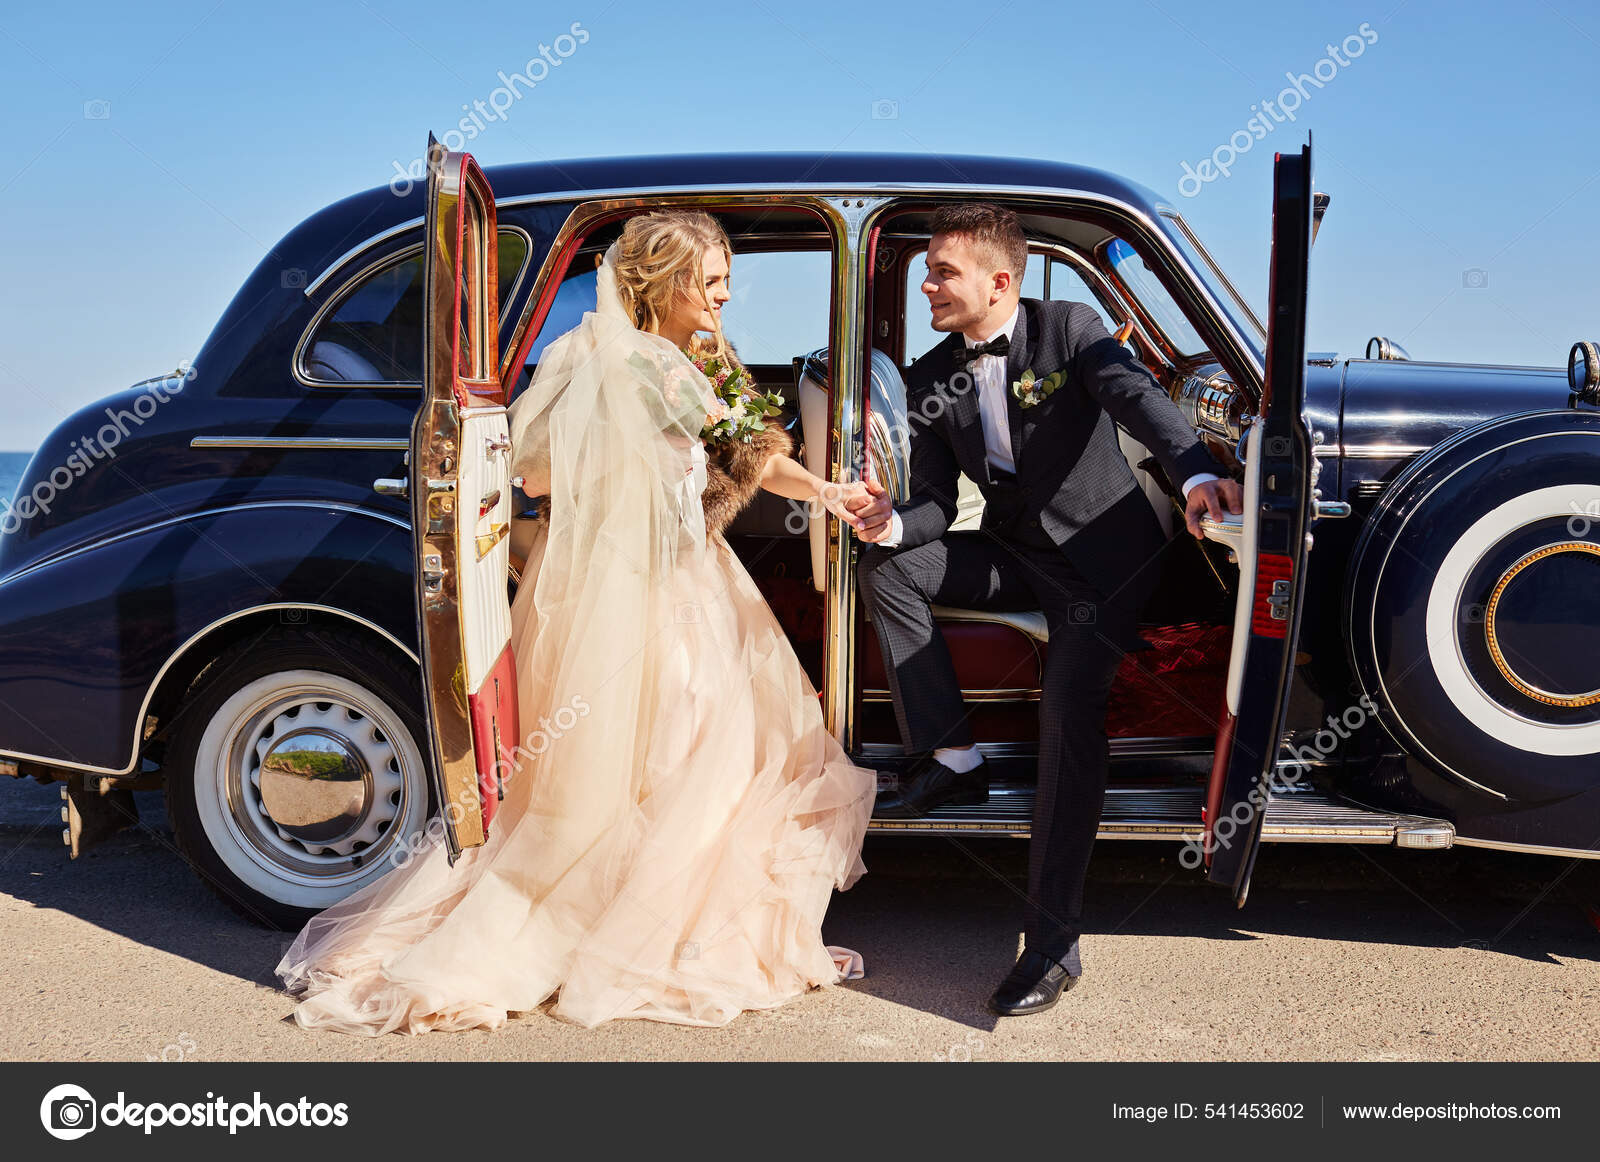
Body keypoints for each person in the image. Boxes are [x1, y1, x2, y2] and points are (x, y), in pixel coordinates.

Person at [274, 209, 878, 1033]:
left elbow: (742, 455)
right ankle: (630, 918)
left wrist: (829, 493)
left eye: (728, 282)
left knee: (694, 747)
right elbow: (546, 474)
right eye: (711, 282)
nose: (724, 299)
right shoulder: (625, 366)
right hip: (640, 586)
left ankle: (636, 900)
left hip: (679, 576)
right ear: (662, 282)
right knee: (675, 742)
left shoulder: (666, 361)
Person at [845, 202, 1242, 1017]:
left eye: (942, 273)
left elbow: (1134, 394)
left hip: (1104, 571)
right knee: (884, 565)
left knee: (1069, 717)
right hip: (1016, 556)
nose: (928, 287)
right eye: (927, 273)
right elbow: (929, 503)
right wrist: (890, 521)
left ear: (1001, 280)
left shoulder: (1068, 328)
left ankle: (1054, 945)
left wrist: (1198, 472)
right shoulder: (929, 376)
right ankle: (952, 762)